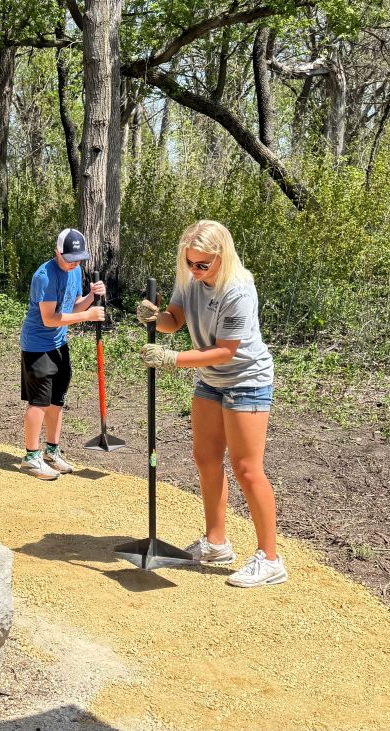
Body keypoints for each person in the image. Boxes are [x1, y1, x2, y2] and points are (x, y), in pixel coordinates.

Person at [136, 220, 286, 588]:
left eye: (202, 264)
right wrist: (157, 318)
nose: (194, 271)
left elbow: (226, 350)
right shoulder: (189, 278)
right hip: (211, 381)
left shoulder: (238, 290)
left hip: (246, 381)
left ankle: (270, 559)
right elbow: (175, 318)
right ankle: (216, 543)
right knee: (205, 457)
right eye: (189, 263)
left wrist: (172, 359)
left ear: (222, 257)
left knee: (247, 468)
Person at [19, 228, 107, 480]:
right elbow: (49, 319)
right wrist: (87, 316)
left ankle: (52, 452)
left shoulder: (75, 270)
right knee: (39, 402)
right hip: (37, 346)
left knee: (57, 401)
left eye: (79, 258)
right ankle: (31, 457)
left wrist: (91, 297)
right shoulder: (44, 276)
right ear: (57, 252)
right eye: (69, 258)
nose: (74, 263)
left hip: (59, 344)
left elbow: (73, 305)